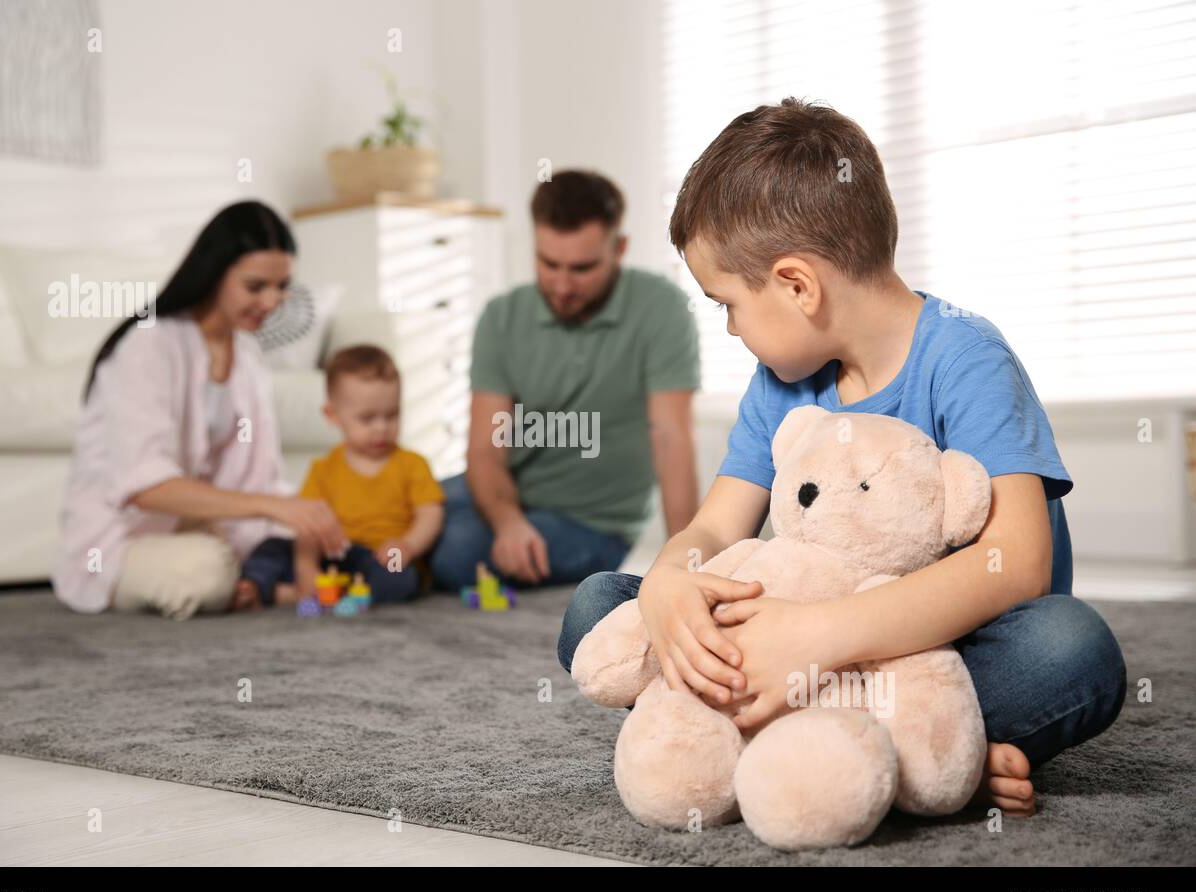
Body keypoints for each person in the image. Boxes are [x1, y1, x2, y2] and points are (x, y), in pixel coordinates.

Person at [557, 99, 1126, 816]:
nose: (729, 328)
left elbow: (1017, 563)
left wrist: (818, 639)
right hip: (792, 638)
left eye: (726, 304)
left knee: (1072, 651)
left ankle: (859, 746)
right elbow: (713, 529)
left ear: (797, 285)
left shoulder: (966, 356)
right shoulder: (782, 384)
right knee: (598, 608)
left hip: (933, 653)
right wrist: (671, 584)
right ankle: (912, 765)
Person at [54, 201, 340, 621]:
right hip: (128, 539)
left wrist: (302, 512)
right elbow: (145, 485)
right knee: (206, 571)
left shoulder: (247, 354)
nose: (273, 301)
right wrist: (270, 506)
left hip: (204, 529)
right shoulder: (149, 344)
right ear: (215, 272)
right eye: (256, 286)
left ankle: (257, 581)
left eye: (282, 286)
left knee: (324, 538)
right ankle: (253, 582)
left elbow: (259, 477)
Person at [431, 170, 701, 591]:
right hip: (511, 495)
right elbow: (485, 450)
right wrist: (508, 522)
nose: (561, 285)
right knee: (401, 508)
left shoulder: (661, 307)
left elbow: (671, 440)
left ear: (619, 248)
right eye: (548, 263)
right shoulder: (501, 317)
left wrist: (688, 564)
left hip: (594, 523)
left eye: (582, 268)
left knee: (455, 548)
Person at [237, 345, 445, 607]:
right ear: (333, 416)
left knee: (398, 578)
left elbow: (431, 514)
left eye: (392, 415)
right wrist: (307, 569)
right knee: (272, 548)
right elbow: (308, 528)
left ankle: (300, 595)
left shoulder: (413, 464)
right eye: (367, 419)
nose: (381, 427)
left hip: (380, 556)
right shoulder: (323, 469)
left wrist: (408, 545)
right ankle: (258, 587)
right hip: (333, 553)